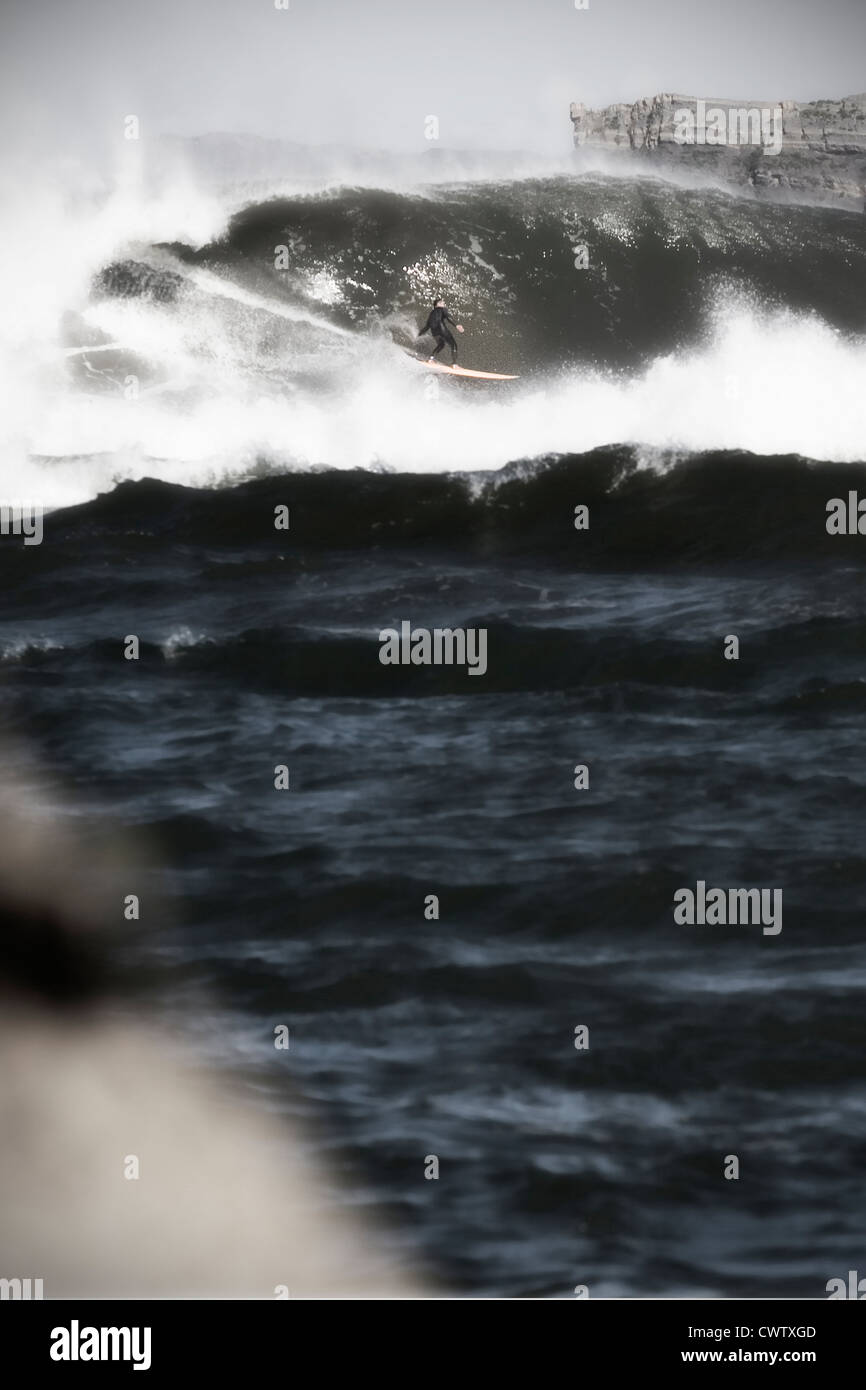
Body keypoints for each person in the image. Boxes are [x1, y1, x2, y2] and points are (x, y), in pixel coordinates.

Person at [418, 297, 464, 364]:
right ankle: (454, 364)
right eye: (442, 303)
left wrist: (420, 333)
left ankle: (431, 359)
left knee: (441, 345)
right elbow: (448, 317)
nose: (444, 304)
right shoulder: (442, 309)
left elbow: (427, 326)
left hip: (434, 332)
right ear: (438, 304)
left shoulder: (431, 313)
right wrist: (456, 325)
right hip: (442, 330)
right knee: (453, 345)